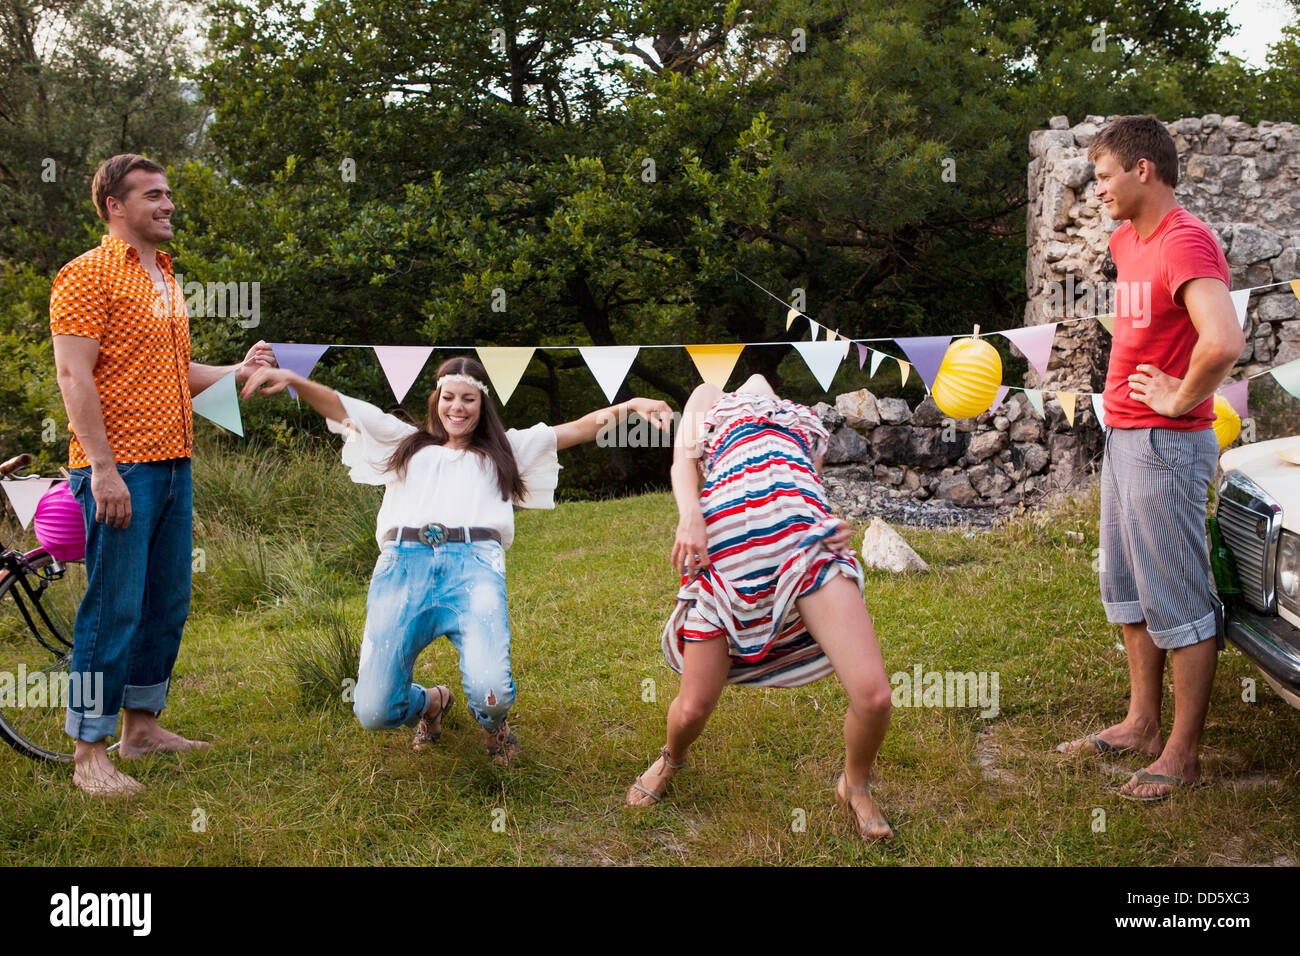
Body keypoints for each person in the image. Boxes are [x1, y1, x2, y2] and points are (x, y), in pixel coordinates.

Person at [241, 356, 671, 765]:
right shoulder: (405, 442)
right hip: (401, 569)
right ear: (436, 401)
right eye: (448, 397)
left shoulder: (507, 450)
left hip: (474, 568)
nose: (457, 407)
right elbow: (343, 407)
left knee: (492, 692)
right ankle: (432, 703)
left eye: (468, 398)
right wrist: (295, 380)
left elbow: (578, 428)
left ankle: (495, 727)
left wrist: (631, 405)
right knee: (373, 710)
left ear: (482, 404)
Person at [50, 153, 275, 797]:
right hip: (121, 470)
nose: (167, 203)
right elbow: (74, 376)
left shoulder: (166, 278)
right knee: (111, 608)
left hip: (176, 465)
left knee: (166, 602)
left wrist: (236, 372)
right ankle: (88, 753)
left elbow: (178, 375)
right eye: (152, 195)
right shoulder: (85, 276)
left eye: (168, 193)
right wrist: (103, 470)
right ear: (114, 206)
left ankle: (141, 729)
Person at [1056, 116, 1245, 801]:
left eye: (1105, 174)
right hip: (1126, 437)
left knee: (1180, 601)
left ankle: (1182, 755)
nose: (1096, 186)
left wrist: (1178, 399)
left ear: (1143, 170)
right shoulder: (1126, 241)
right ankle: (1140, 722)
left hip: (1166, 445)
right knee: (1130, 592)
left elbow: (1222, 341)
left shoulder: (1186, 240)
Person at [625, 374, 893, 842]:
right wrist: (690, 516)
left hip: (805, 551)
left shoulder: (805, 418)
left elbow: (804, 482)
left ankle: (855, 783)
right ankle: (672, 757)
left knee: (874, 698)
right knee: (691, 710)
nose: (757, 380)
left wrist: (829, 522)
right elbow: (682, 466)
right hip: (728, 557)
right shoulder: (709, 397)